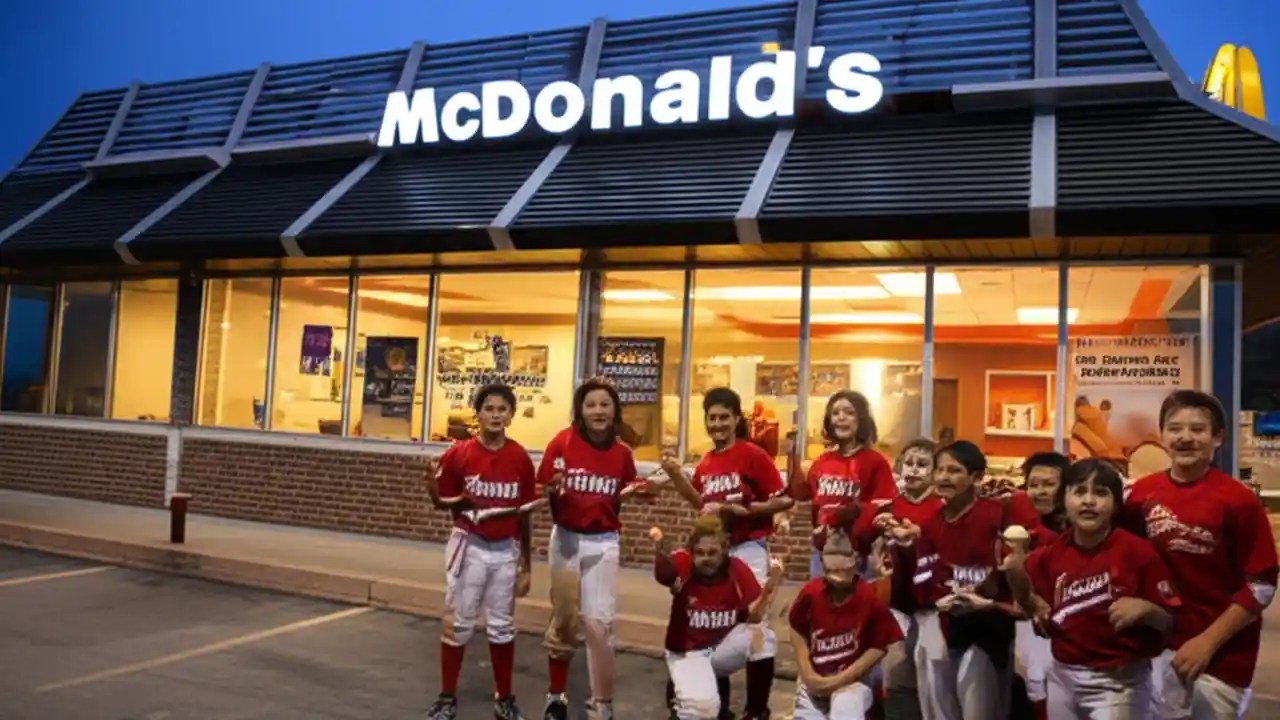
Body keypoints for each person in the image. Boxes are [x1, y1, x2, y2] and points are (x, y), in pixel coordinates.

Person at [1123, 390, 1278, 719]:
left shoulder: (1239, 501)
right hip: (1154, 652)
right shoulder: (1140, 495)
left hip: (1221, 660)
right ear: (1162, 434)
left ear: (1217, 437)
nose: (1185, 438)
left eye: (1197, 429)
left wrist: (1206, 643)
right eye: (1176, 428)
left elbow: (1261, 585)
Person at [1003, 459, 1180, 720]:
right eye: (1079, 492)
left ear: (1116, 504)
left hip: (1119, 681)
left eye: (1100, 493)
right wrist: (1016, 576)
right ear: (1064, 500)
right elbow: (1030, 606)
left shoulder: (1137, 552)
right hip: (1063, 675)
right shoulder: (1050, 555)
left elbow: (1170, 621)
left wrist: (1146, 609)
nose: (1088, 501)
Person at [662, 387, 794, 720]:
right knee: (713, 627)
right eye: (712, 418)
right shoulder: (706, 461)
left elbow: (785, 499)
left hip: (748, 546)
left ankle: (757, 709)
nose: (718, 424)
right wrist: (677, 476)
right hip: (716, 553)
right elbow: (702, 506)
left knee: (755, 626)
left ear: (737, 419)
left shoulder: (753, 455)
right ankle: (716, 706)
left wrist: (743, 510)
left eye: (724, 417)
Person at [894, 441, 1040, 720]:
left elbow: (1023, 564)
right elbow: (924, 579)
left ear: (975, 477)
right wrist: (935, 596)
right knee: (938, 706)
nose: (944, 477)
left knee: (979, 707)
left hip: (989, 628)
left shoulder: (998, 514)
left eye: (954, 471)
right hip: (945, 622)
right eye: (939, 470)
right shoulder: (930, 523)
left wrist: (991, 603)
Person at [423, 383, 543, 720]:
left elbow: (524, 513)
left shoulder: (519, 457)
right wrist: (435, 489)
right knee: (458, 624)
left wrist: (527, 563)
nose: (495, 415)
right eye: (488, 408)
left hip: (505, 549)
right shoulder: (459, 453)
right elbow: (445, 503)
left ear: (511, 415)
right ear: (477, 414)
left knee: (502, 626)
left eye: (502, 409)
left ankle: (504, 698)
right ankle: (447, 697)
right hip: (470, 547)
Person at [538, 378, 648, 720]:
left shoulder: (621, 453)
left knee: (600, 623)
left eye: (605, 404)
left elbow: (629, 488)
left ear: (614, 410)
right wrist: (551, 489)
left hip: (603, 543)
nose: (598, 411)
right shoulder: (562, 442)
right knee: (565, 620)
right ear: (580, 411)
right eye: (591, 405)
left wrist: (645, 488)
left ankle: (602, 703)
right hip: (567, 541)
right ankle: (556, 696)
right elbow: (542, 484)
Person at [654, 516, 784, 720]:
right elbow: (666, 575)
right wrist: (660, 553)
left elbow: (754, 616)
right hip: (688, 653)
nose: (706, 559)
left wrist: (769, 588)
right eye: (700, 553)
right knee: (704, 711)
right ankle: (680, 697)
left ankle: (756, 713)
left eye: (713, 553)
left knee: (762, 636)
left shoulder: (736, 568)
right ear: (692, 552)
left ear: (724, 550)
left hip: (720, 650)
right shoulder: (684, 561)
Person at [789, 528, 904, 719]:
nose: (837, 578)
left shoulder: (869, 596)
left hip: (854, 681)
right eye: (831, 571)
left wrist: (842, 679)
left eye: (842, 570)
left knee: (845, 704)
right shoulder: (812, 592)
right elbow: (796, 628)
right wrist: (807, 674)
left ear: (854, 565)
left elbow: (879, 646)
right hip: (816, 678)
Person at [868, 437, 941, 720]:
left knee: (929, 670)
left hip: (932, 602)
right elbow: (870, 548)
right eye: (908, 463)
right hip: (897, 599)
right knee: (894, 667)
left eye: (922, 464)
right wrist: (876, 555)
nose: (913, 470)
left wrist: (918, 538)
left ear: (935, 472)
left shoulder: (941, 509)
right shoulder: (887, 510)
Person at [791, 390, 897, 579]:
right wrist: (792, 456)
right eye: (835, 413)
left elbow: (884, 507)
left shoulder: (875, 462)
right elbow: (803, 495)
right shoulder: (821, 462)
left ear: (861, 419)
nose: (841, 418)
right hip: (823, 553)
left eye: (849, 412)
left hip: (859, 555)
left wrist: (851, 514)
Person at [1014, 451, 1070, 720]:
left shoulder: (1078, 532)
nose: (1039, 492)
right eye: (1033, 485)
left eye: (1049, 484)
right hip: (1024, 628)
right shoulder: (1015, 529)